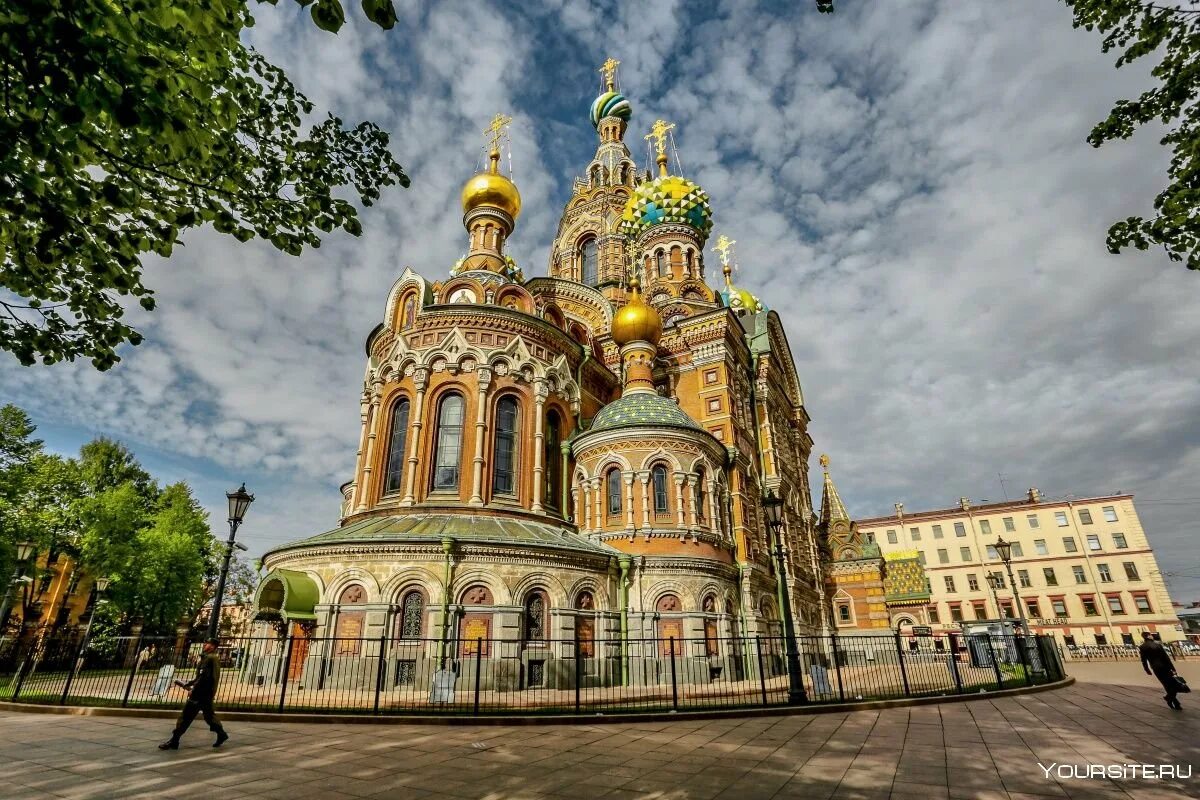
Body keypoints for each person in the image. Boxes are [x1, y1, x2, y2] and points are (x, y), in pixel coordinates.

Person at [159, 640, 228, 749]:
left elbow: (206, 678)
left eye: (208, 643)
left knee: (185, 716)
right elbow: (201, 676)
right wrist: (189, 683)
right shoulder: (208, 657)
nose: (205, 645)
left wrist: (194, 689)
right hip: (205, 694)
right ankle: (222, 734)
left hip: (200, 694)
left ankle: (174, 740)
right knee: (210, 717)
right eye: (205, 643)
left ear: (213, 646)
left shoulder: (210, 658)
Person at [1139, 631, 1182, 710]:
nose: (1152, 636)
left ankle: (1175, 702)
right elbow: (1166, 658)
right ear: (1148, 636)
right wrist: (1173, 668)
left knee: (1166, 685)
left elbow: (1143, 660)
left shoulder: (1142, 647)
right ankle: (1169, 698)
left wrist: (1147, 669)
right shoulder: (1157, 645)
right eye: (1151, 635)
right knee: (1173, 684)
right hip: (1165, 667)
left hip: (1156, 668)